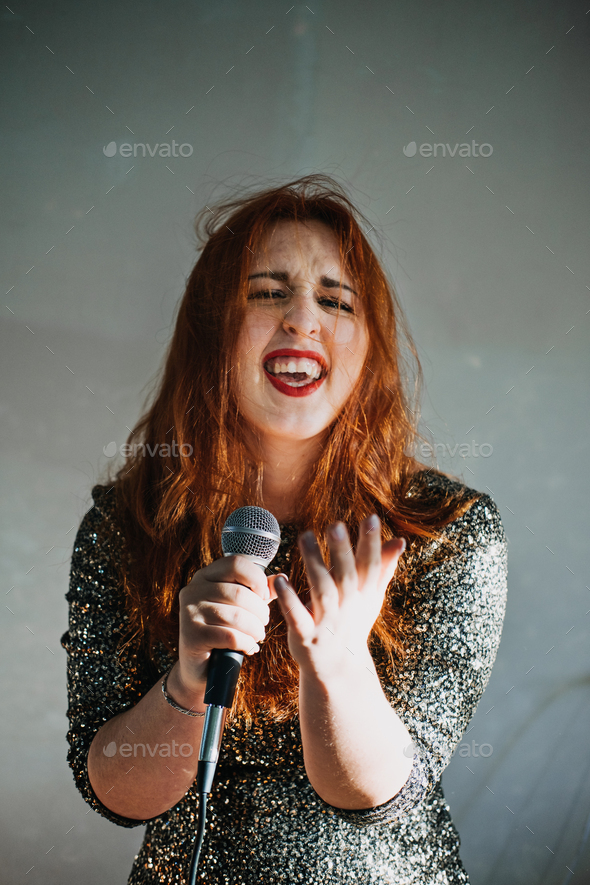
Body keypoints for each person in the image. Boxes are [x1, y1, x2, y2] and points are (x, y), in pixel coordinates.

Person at [61, 174, 508, 884]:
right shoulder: (126, 524)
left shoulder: (444, 531)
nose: (305, 318)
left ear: (367, 351)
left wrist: (337, 664)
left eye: (336, 300)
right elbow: (114, 791)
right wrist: (184, 681)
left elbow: (379, 795)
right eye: (270, 292)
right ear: (213, 329)